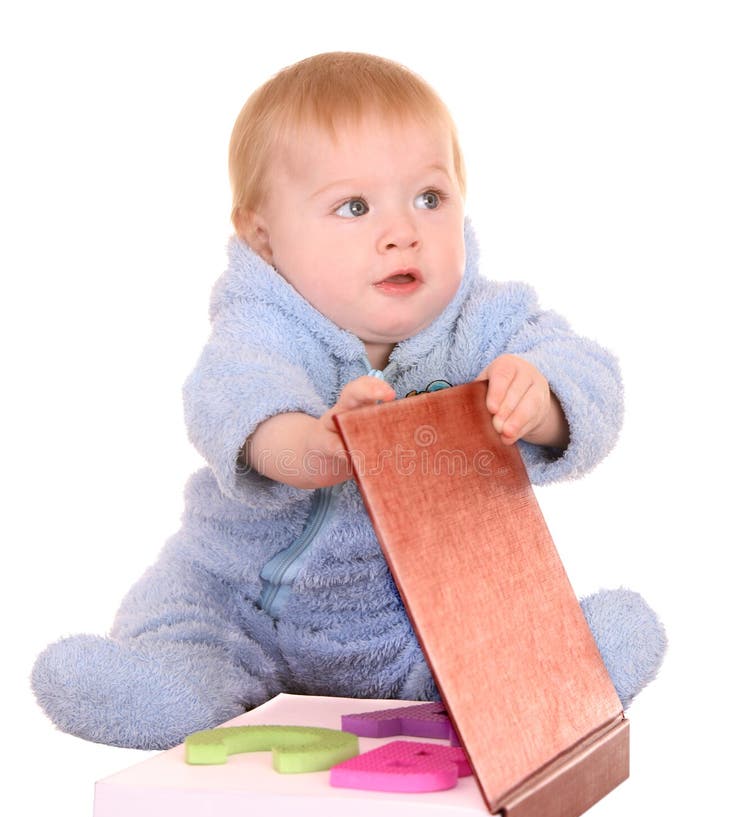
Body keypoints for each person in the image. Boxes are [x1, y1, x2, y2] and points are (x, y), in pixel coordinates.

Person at [31, 52, 666, 750]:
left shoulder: (484, 322)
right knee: (186, 626)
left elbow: (589, 372)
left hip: (413, 620)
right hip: (236, 598)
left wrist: (540, 395)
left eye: (430, 197)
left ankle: (548, 678)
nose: (402, 230)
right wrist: (316, 447)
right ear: (265, 238)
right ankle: (171, 685)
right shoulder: (262, 324)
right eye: (354, 207)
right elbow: (232, 400)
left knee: (492, 657)